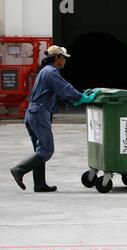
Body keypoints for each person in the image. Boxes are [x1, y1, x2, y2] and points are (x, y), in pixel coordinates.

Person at [10, 45, 100, 192]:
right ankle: (19, 170)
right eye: (63, 57)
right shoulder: (51, 72)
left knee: (39, 150)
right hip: (39, 113)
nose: (65, 60)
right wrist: (82, 97)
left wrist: (75, 100)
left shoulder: (45, 72)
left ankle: (39, 184)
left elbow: (59, 94)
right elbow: (66, 88)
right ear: (57, 58)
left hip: (33, 113)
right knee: (46, 150)